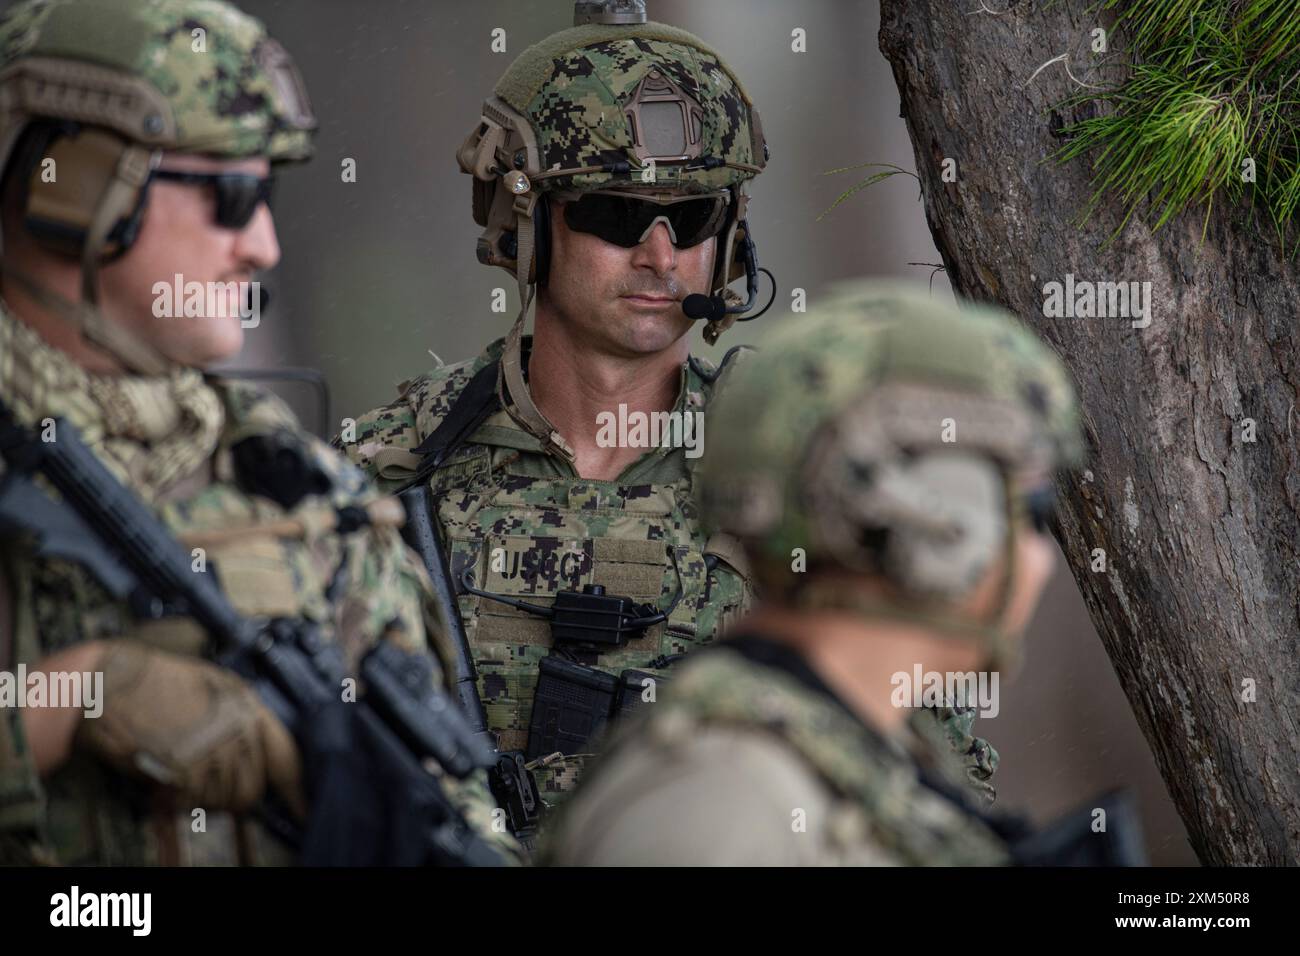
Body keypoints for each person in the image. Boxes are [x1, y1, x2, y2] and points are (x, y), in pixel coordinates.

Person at [0, 0, 510, 865]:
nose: (263, 245)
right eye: (229, 195)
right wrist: (70, 703)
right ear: (73, 185)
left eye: (265, 193)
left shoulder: (308, 494)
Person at [334, 0, 774, 829]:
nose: (659, 254)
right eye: (612, 213)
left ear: (730, 238)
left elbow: (926, 778)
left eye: (691, 218)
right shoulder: (392, 469)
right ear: (528, 224)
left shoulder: (792, 469)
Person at [546, 282, 1083, 865]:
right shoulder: (727, 807)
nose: (1040, 559)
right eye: (1031, 514)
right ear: (938, 524)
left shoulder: (855, 758)